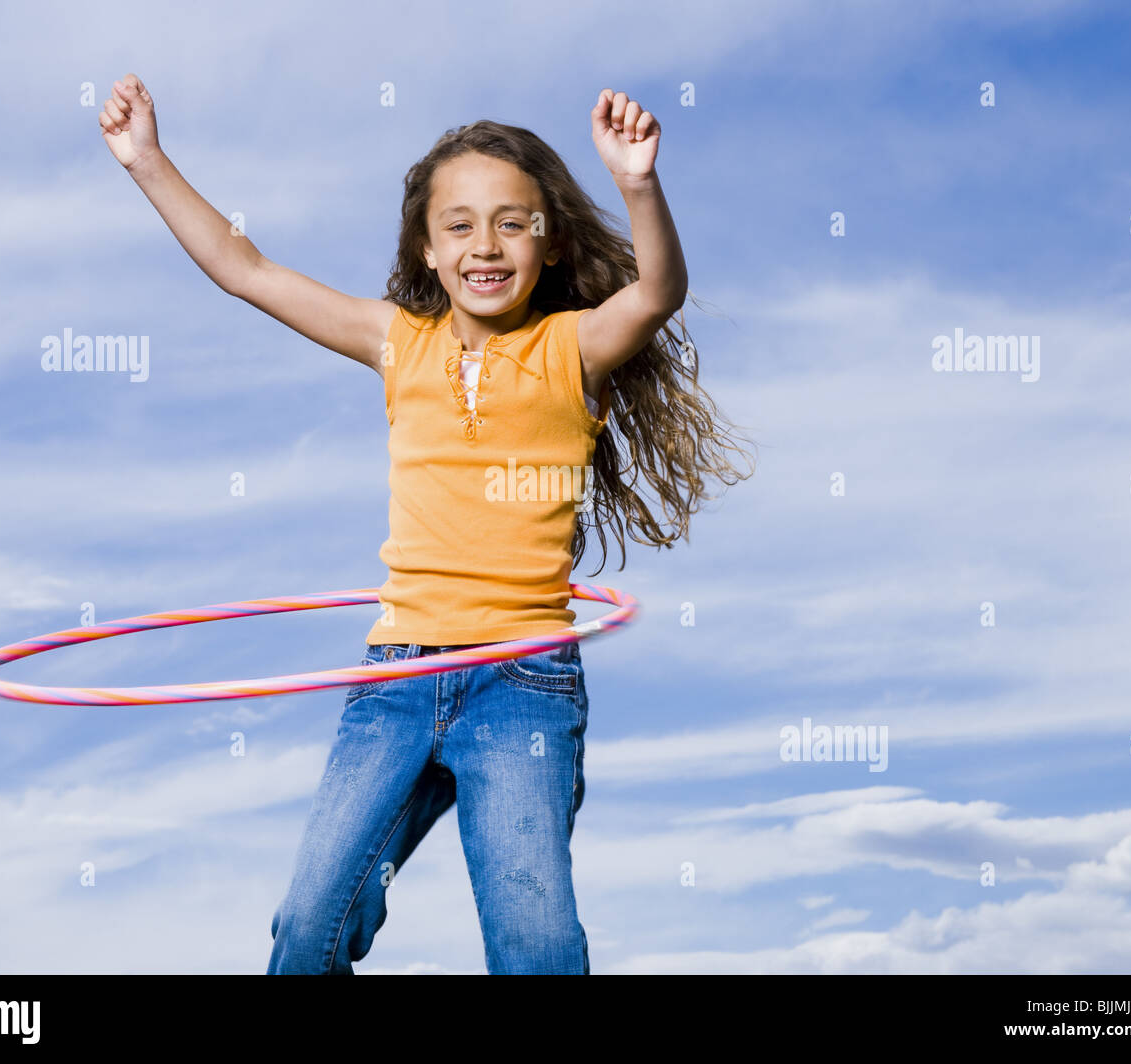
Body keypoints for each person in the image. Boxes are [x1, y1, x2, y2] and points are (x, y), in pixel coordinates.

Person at [99, 75, 756, 974]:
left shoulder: (573, 349)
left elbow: (656, 296)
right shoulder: (395, 343)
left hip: (521, 683)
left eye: (512, 223)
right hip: (398, 676)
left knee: (538, 947)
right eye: (460, 225)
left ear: (552, 242)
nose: (485, 245)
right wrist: (146, 160)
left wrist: (638, 183)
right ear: (427, 247)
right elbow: (244, 270)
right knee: (306, 932)